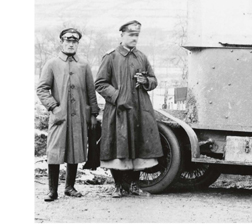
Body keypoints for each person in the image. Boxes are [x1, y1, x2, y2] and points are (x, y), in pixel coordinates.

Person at [94, 20, 163, 198]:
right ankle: (118, 186)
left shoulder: (141, 57)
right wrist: (118, 96)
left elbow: (154, 81)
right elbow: (100, 84)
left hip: (140, 110)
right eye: (131, 35)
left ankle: (133, 185)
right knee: (117, 147)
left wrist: (146, 81)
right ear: (122, 35)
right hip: (118, 111)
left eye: (137, 35)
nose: (134, 38)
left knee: (138, 147)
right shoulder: (111, 57)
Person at [36, 28, 99, 202]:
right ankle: (52, 191)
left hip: (79, 116)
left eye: (74, 41)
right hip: (59, 117)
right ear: (62, 42)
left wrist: (93, 114)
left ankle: (70, 187)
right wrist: (54, 107)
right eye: (67, 41)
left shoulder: (84, 65)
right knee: (54, 152)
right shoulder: (52, 64)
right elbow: (41, 89)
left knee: (75, 149)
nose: (71, 44)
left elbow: (91, 92)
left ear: (78, 43)